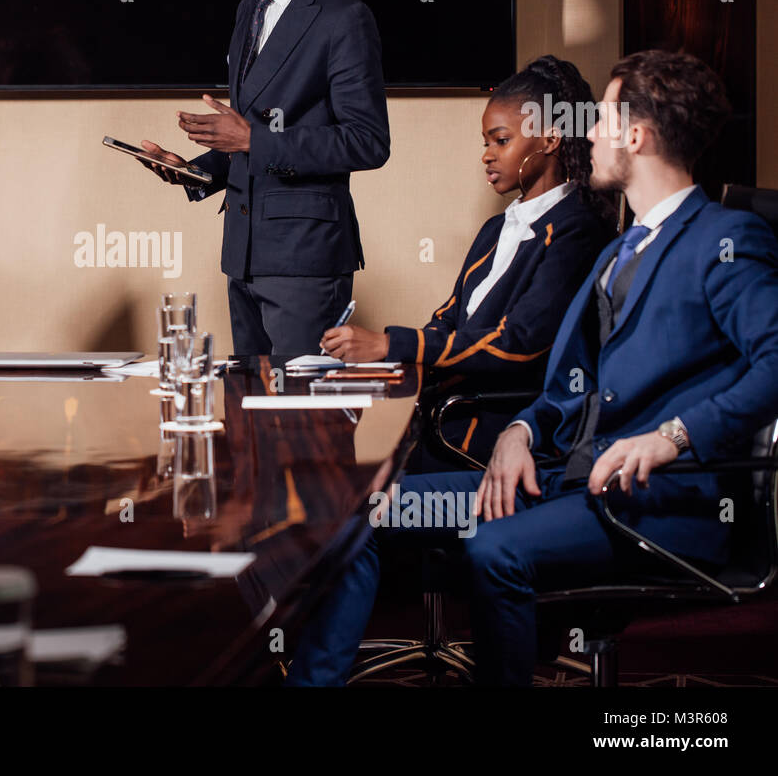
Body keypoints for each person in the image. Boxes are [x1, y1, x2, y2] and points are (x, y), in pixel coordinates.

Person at [287, 49, 778, 686]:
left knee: (494, 547)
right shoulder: (624, 246)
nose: (589, 130)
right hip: (569, 483)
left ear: (638, 134)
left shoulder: (724, 238)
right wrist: (521, 432)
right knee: (367, 516)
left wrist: (672, 436)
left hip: (659, 506)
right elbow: (570, 383)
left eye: (601, 117)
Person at [139, 0, 390, 355]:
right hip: (243, 258)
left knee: (302, 425)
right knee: (250, 416)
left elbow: (368, 142)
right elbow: (249, 138)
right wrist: (196, 170)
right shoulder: (248, 10)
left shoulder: (343, 17)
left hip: (307, 263)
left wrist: (253, 139)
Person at [322, 56, 615, 467]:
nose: (487, 156)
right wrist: (384, 361)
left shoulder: (577, 231)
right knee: (334, 470)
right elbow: (448, 316)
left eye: (501, 140)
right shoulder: (495, 229)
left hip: (489, 433)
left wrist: (391, 343)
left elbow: (519, 345)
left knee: (358, 506)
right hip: (441, 420)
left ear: (549, 140)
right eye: (485, 143)